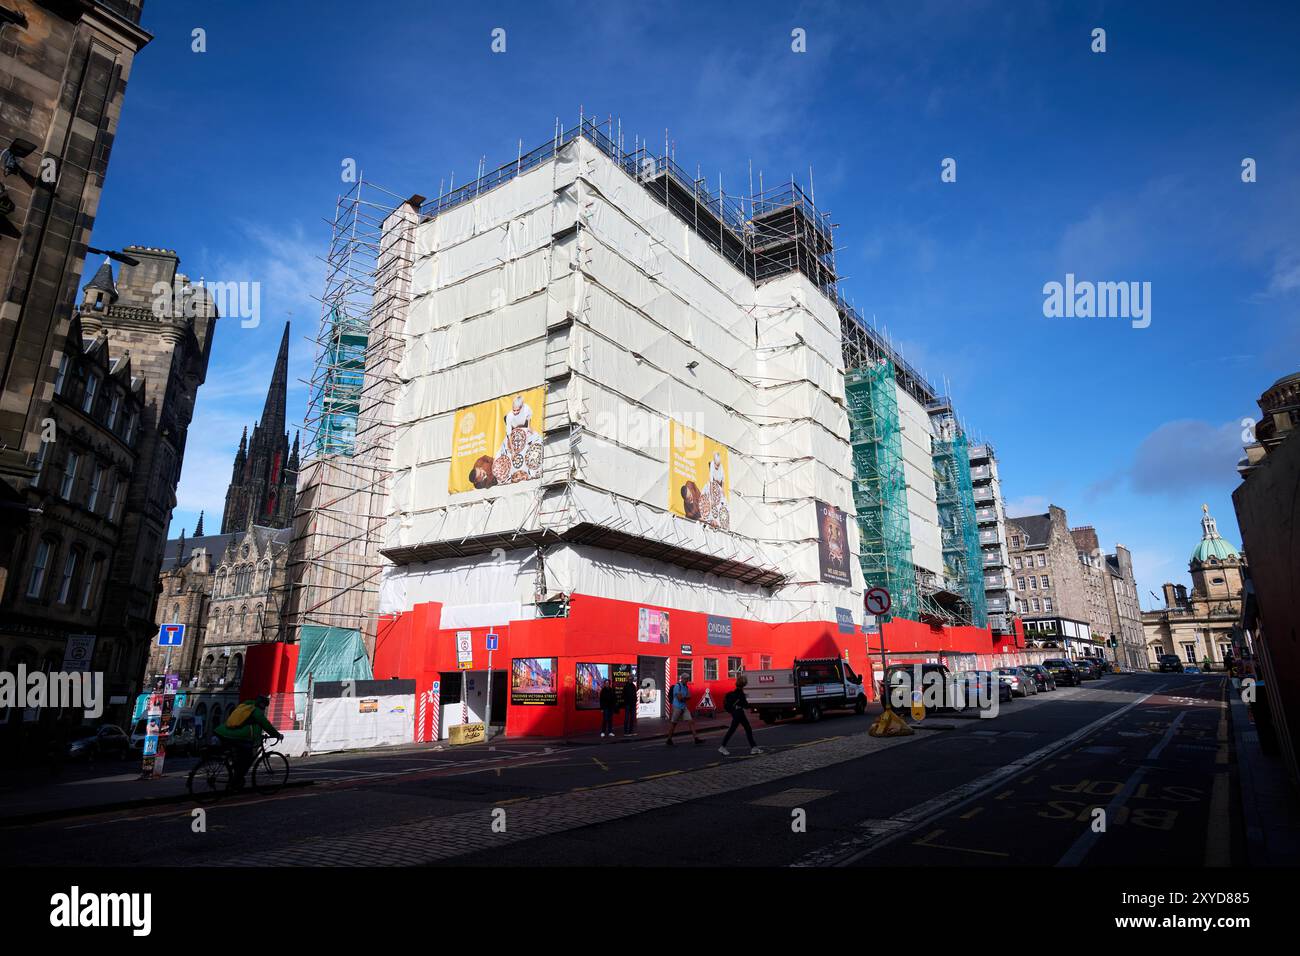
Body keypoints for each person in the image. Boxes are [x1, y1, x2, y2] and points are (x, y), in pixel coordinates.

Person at [214, 694, 283, 791]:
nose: (264, 709)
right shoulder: (256, 712)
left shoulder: (245, 706)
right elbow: (266, 725)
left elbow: (252, 727)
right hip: (234, 736)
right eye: (265, 706)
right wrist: (277, 735)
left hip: (223, 731)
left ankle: (236, 778)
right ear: (262, 705)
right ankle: (235, 780)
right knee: (247, 756)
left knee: (239, 756)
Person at [718, 675, 763, 756]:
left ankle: (754, 747)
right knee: (736, 729)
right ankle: (722, 747)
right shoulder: (740, 693)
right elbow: (745, 705)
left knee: (746, 728)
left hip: (737, 712)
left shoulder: (735, 692)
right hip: (738, 713)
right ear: (744, 684)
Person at [665, 677, 703, 746]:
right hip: (677, 707)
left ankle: (696, 738)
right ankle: (669, 739)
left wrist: (684, 698)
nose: (687, 681)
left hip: (684, 707)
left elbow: (689, 696)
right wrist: (684, 698)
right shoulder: (677, 686)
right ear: (682, 679)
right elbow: (680, 699)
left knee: (691, 721)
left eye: (687, 679)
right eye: (685, 679)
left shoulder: (686, 687)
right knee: (674, 724)